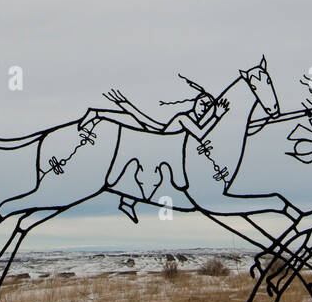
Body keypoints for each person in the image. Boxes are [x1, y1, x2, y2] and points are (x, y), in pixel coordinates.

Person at [80, 77, 230, 223]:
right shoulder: (184, 118)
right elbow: (200, 134)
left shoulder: (191, 121)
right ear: (195, 103)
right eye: (202, 103)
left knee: (149, 176)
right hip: (160, 149)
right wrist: (217, 115)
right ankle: (97, 113)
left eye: (209, 107)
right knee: (148, 174)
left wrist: (127, 105)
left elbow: (155, 125)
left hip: (163, 150)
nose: (205, 108)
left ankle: (128, 203)